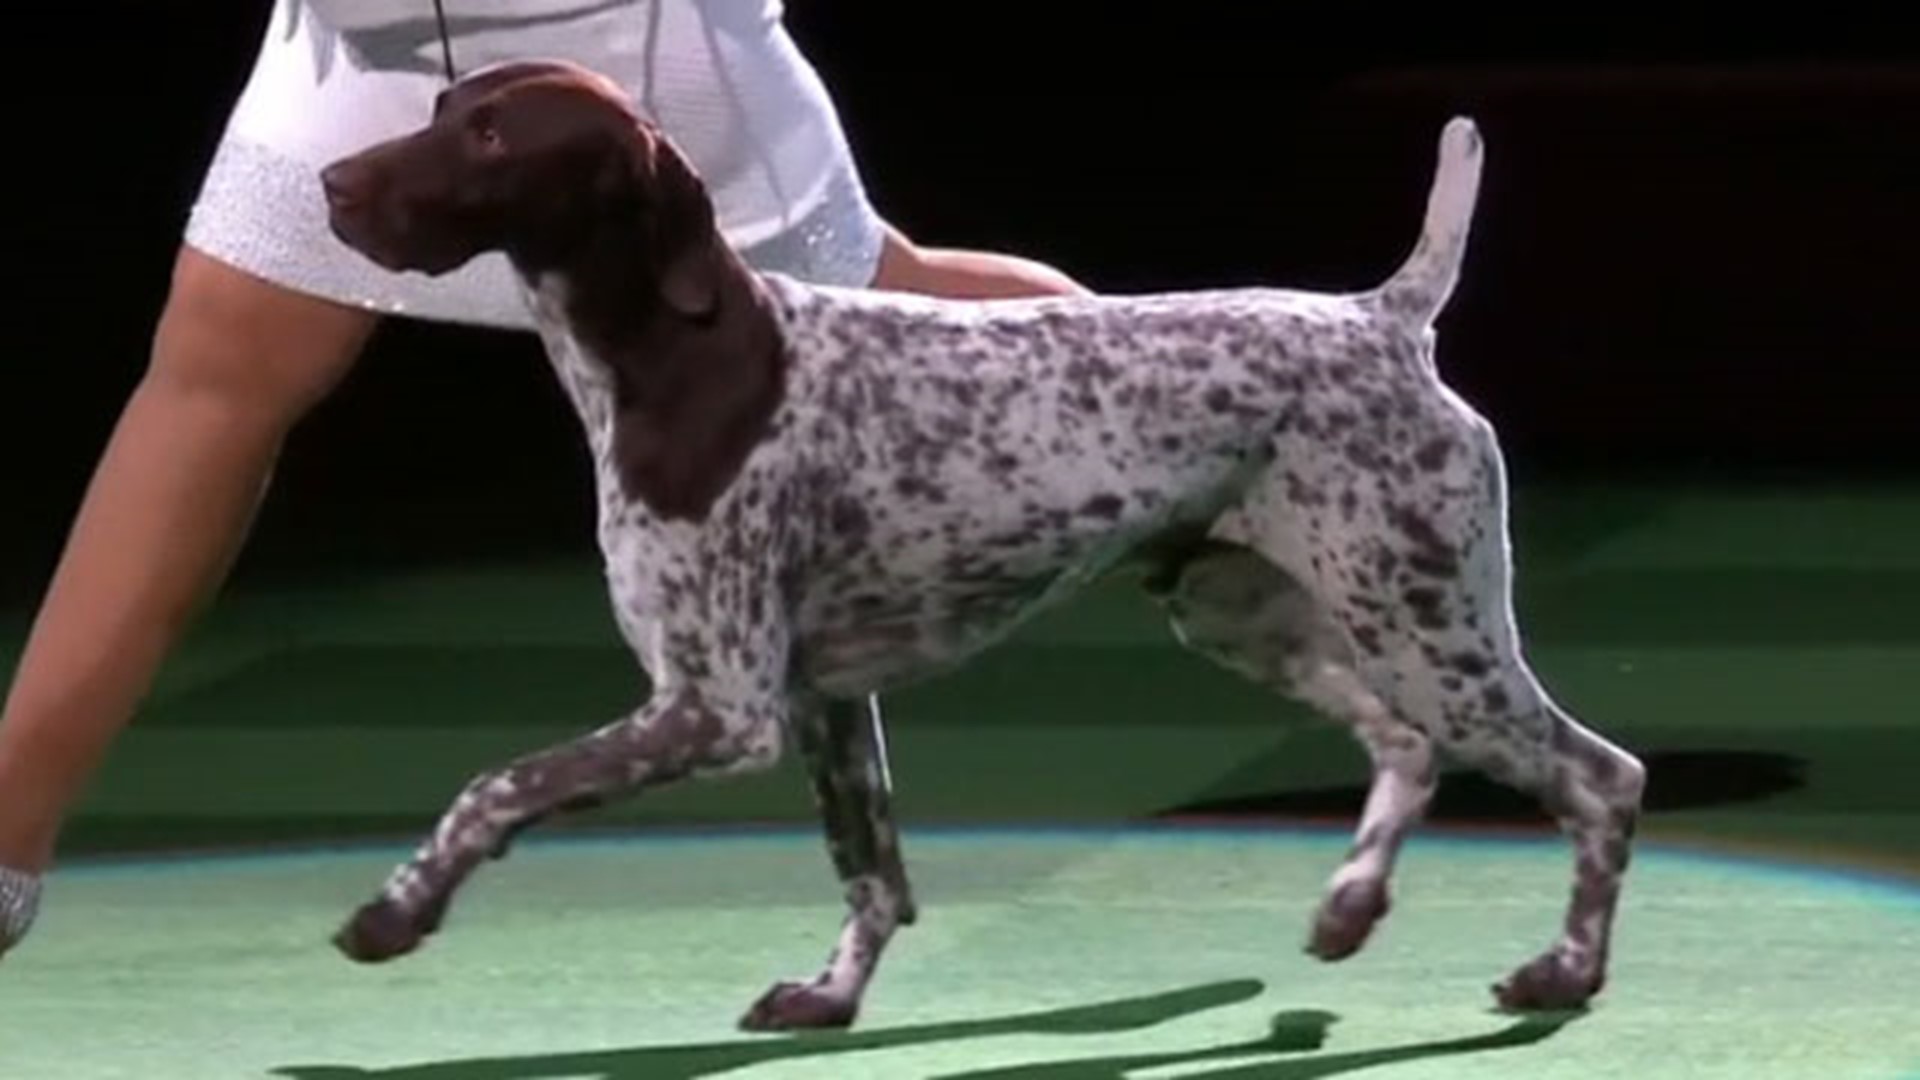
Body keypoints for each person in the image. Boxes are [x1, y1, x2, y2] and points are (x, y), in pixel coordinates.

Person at [0, 0, 1087, 956]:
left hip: (619, 45)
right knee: (217, 367)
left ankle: (1177, 434)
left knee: (887, 305)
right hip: (357, 48)